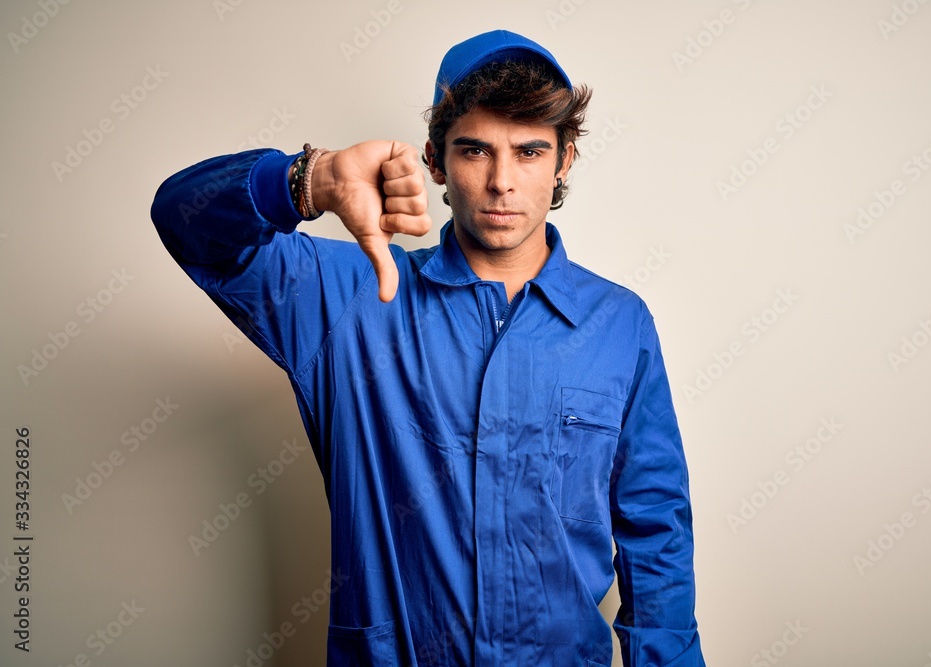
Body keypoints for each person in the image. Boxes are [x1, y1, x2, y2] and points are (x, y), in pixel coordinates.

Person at [151, 29, 704, 667]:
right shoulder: (352, 299)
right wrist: (311, 180)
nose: (502, 182)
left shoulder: (620, 325)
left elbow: (656, 533)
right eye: (475, 151)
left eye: (529, 151)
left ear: (565, 160)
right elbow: (183, 221)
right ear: (436, 162)